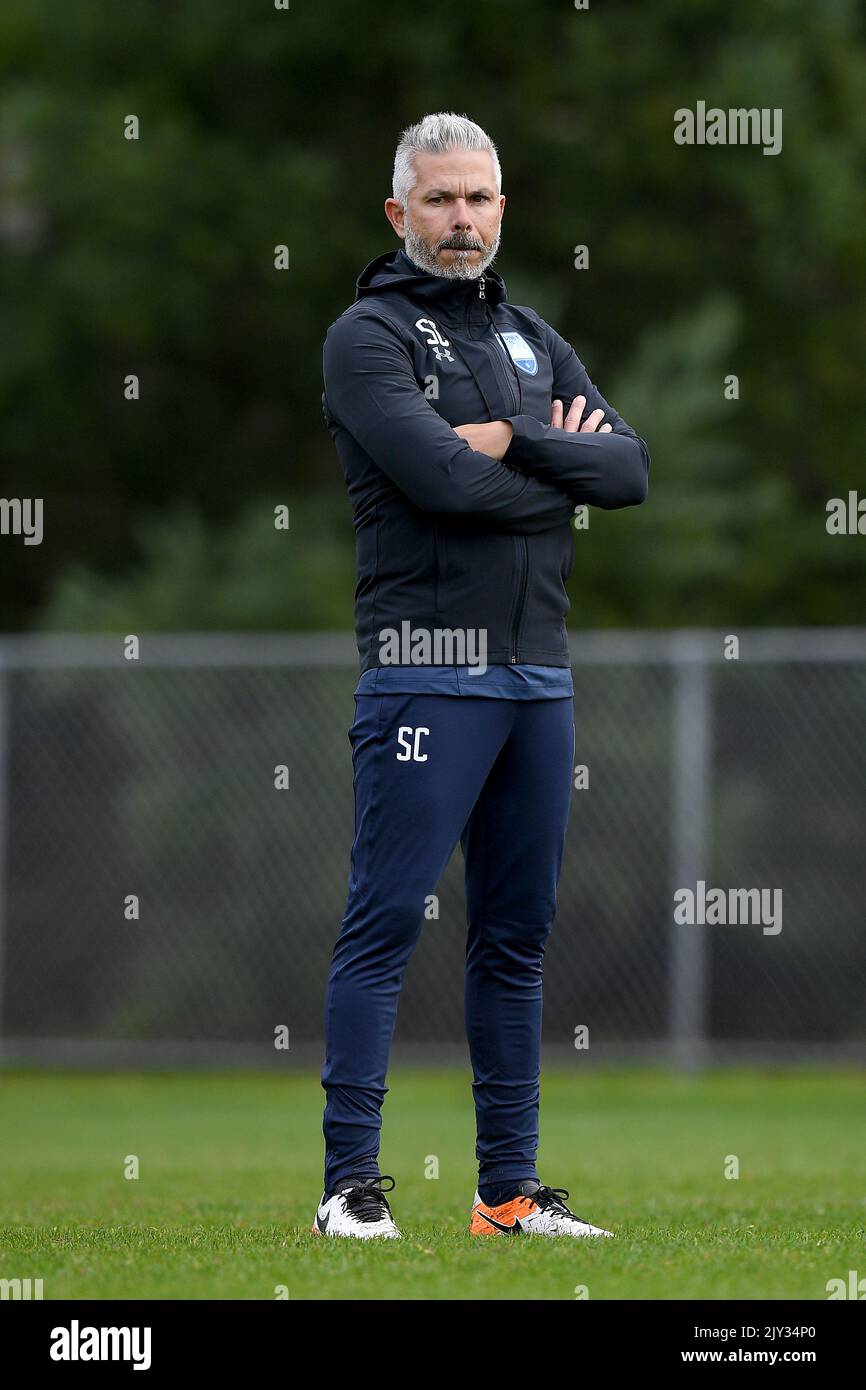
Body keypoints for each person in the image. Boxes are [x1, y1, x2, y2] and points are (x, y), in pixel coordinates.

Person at [313, 112, 649, 1240]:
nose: (462, 218)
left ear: (502, 208)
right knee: (382, 927)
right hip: (423, 675)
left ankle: (505, 1197)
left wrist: (496, 440)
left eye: (481, 198)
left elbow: (630, 468)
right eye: (441, 199)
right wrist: (551, 464)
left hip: (535, 682)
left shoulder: (531, 335)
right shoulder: (364, 337)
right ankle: (348, 1193)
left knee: (513, 941)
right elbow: (441, 486)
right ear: (398, 211)